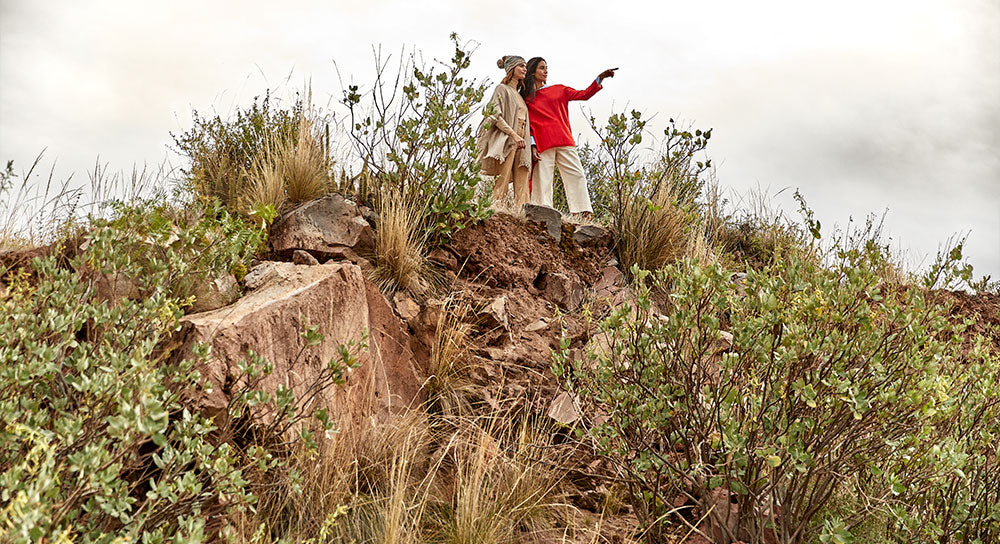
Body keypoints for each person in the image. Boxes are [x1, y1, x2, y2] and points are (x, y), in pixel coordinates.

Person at [521, 57, 616, 218]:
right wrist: (532, 144)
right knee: (542, 178)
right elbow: (527, 125)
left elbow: (584, 94)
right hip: (542, 142)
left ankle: (582, 211)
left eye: (546, 68)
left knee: (576, 174)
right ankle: (542, 210)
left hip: (564, 139)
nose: (546, 71)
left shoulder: (559, 89)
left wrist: (600, 78)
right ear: (532, 72)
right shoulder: (526, 98)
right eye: (542, 68)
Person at [476, 55, 531, 209]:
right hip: (509, 136)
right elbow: (494, 114)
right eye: (521, 66)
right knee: (503, 176)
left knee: (522, 174)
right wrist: (513, 135)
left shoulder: (519, 95)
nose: (524, 69)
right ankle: (497, 208)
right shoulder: (502, 89)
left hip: (522, 136)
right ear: (511, 69)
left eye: (525, 66)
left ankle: (522, 210)